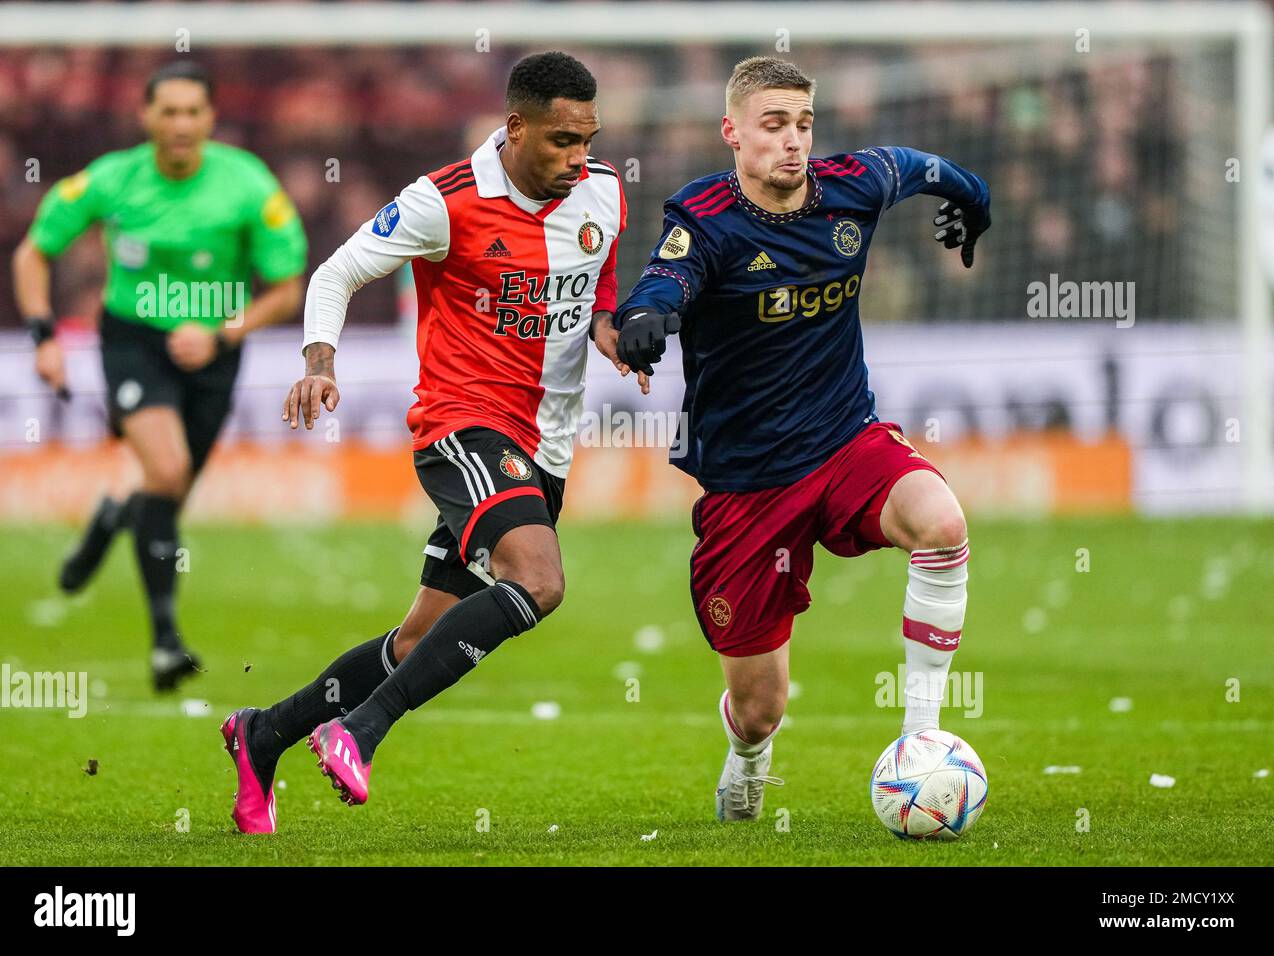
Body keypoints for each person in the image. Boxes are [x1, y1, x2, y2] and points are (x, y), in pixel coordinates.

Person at [222, 52, 638, 834]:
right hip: (463, 423)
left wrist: (613, 332)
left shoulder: (605, 192)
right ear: (515, 127)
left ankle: (263, 732)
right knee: (539, 581)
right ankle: (360, 732)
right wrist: (319, 362)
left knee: (417, 641)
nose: (577, 157)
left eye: (588, 138)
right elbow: (334, 276)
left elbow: (603, 278)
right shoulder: (442, 202)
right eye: (560, 141)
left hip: (547, 446)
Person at [613, 56, 991, 822]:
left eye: (804, 124)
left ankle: (922, 737)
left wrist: (970, 197)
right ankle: (749, 759)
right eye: (774, 124)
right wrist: (647, 316)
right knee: (760, 708)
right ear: (733, 132)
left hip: (846, 439)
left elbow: (921, 166)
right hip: (748, 485)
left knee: (943, 523)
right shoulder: (706, 218)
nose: (793, 141)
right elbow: (666, 280)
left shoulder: (853, 185)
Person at [13, 60, 307, 690]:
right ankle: (166, 641)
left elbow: (287, 291)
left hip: (216, 349)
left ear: (211, 118)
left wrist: (223, 332)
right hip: (133, 343)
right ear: (145, 116)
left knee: (164, 491)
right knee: (168, 471)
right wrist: (43, 338)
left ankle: (113, 514)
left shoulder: (248, 184)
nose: (179, 124)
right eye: (167, 111)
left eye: (191, 112)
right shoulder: (112, 179)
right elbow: (34, 252)